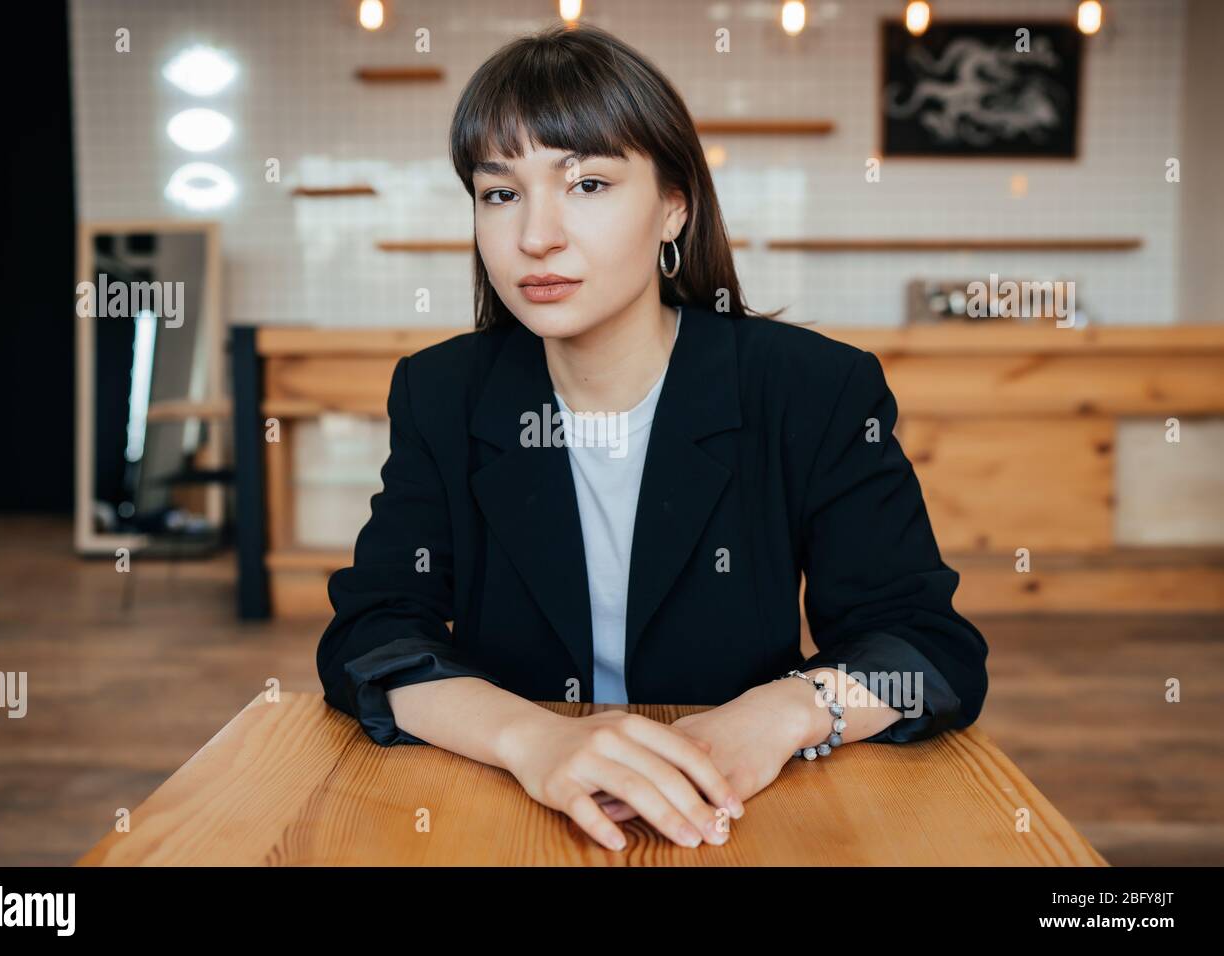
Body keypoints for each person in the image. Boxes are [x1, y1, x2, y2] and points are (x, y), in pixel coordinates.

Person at [316, 22, 989, 853]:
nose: (536, 236)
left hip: (738, 811)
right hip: (510, 809)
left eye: (588, 185)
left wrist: (778, 715)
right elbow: (372, 638)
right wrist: (534, 740)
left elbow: (926, 650)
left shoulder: (812, 387)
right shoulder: (442, 392)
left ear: (674, 205)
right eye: (501, 193)